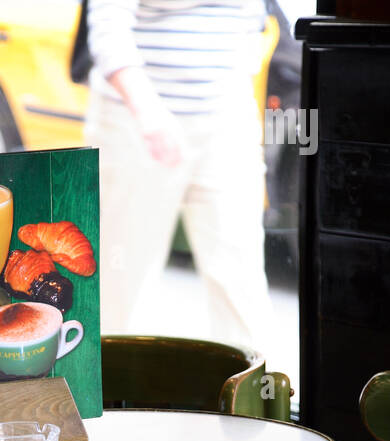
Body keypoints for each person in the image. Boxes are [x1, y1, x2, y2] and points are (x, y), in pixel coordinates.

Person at [76, 0, 273, 348]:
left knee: (241, 286)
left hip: (227, 117)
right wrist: (149, 116)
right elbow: (108, 26)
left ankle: (248, 398)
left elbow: (250, 20)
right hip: (135, 120)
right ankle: (115, 397)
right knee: (121, 284)